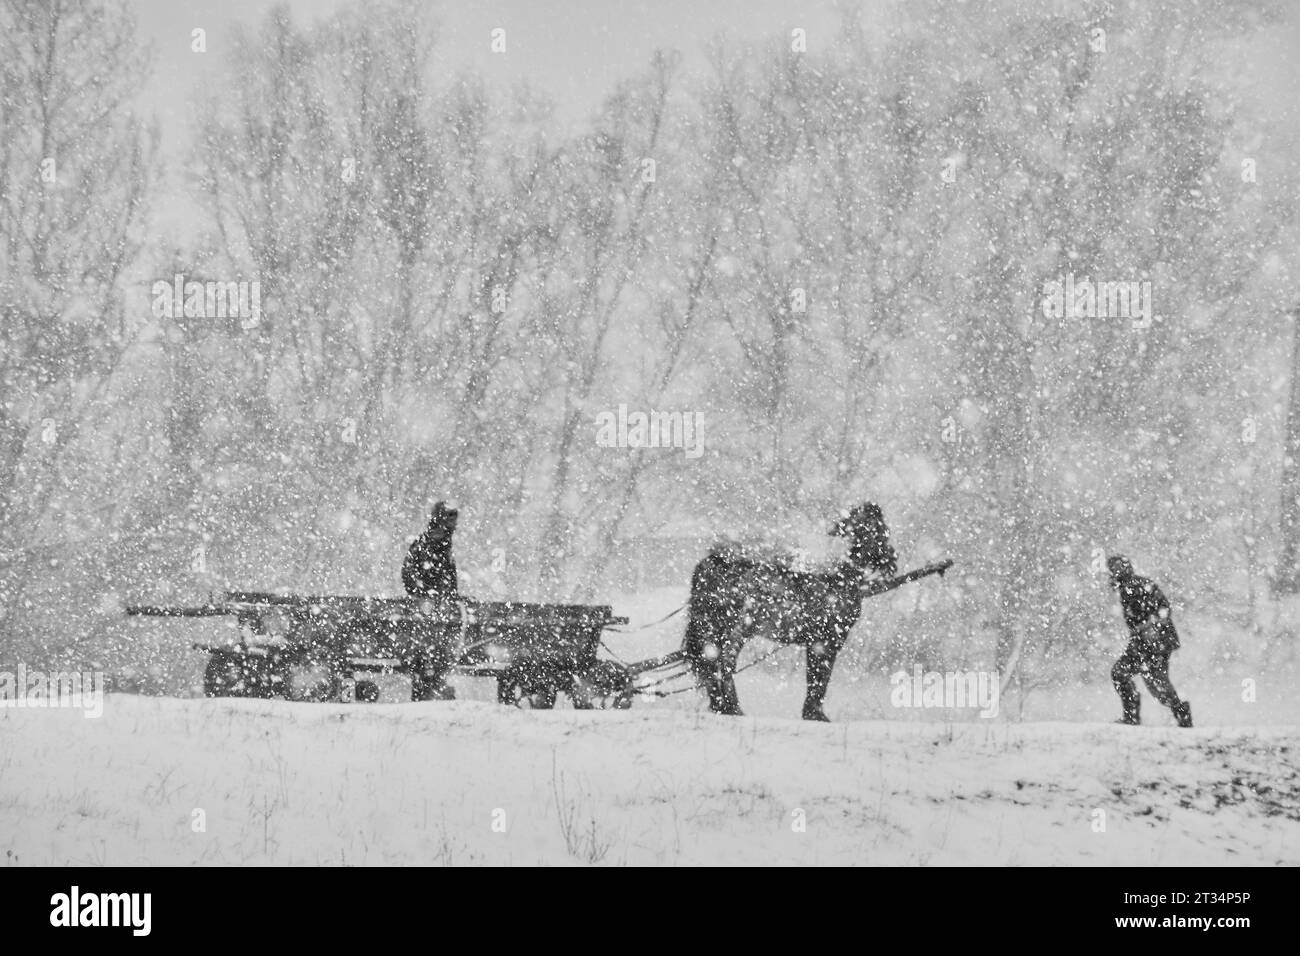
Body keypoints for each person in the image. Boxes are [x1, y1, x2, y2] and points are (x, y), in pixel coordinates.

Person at [1107, 555, 1192, 727]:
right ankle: (1180, 714)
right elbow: (1162, 608)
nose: (1112, 575)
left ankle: (1136, 716)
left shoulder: (1135, 586)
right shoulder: (1131, 587)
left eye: (1114, 571)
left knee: (1152, 682)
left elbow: (1163, 608)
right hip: (1148, 643)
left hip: (1153, 643)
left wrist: (1152, 627)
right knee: (1153, 683)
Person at [403, 501, 459, 598]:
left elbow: (449, 575)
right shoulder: (426, 544)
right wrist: (420, 594)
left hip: (437, 602)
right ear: (442, 520)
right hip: (427, 603)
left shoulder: (444, 544)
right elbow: (409, 572)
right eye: (451, 521)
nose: (454, 525)